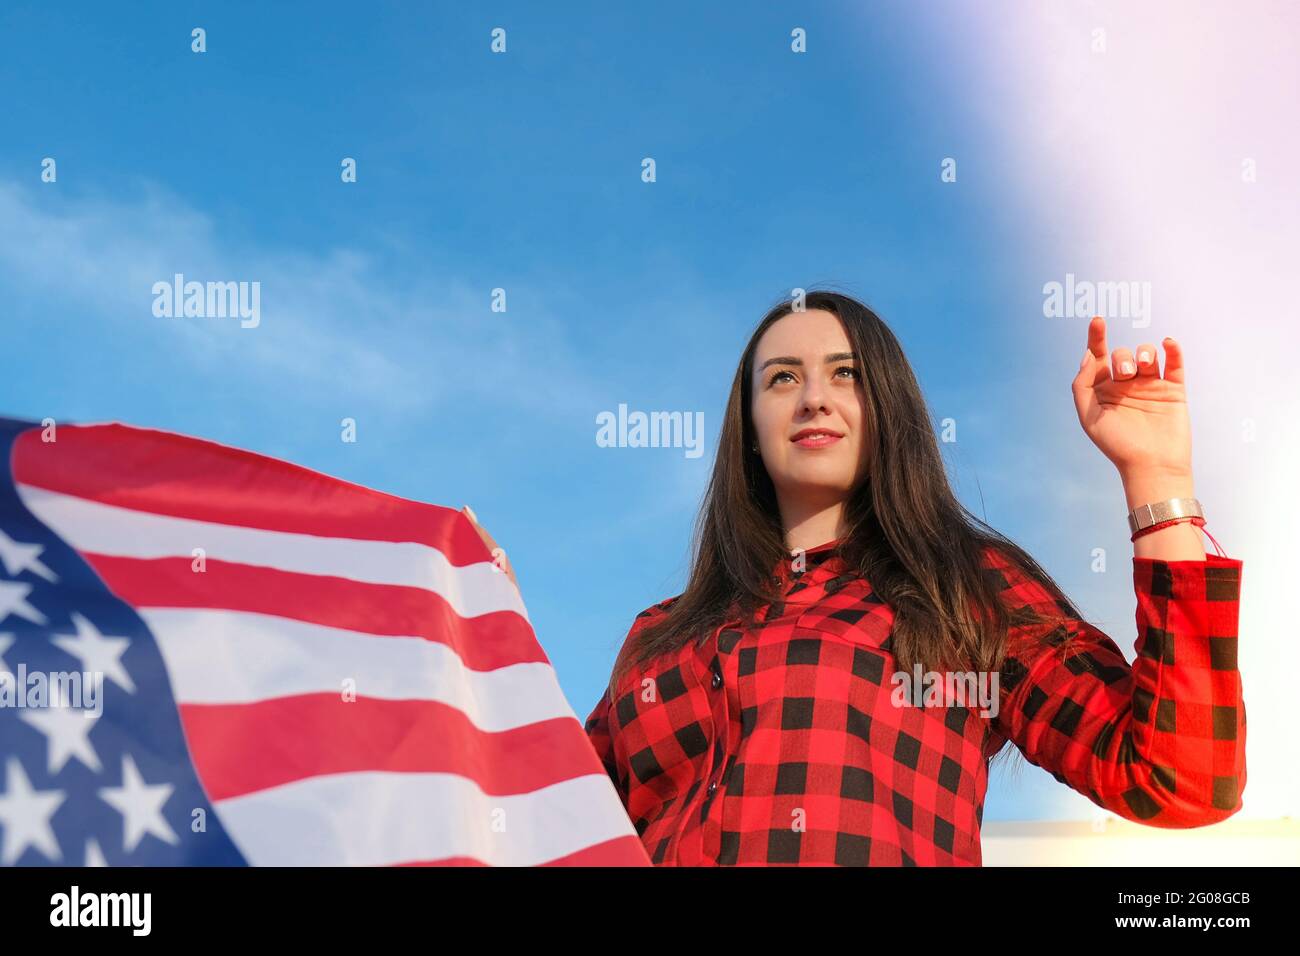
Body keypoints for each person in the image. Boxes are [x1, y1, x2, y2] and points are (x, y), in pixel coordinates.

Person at [466, 290, 1245, 866]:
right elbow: (555, 815)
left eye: (846, 374)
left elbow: (1181, 777)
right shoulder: (659, 635)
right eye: (782, 378)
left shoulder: (963, 587)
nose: (814, 397)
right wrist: (488, 631)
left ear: (888, 407)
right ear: (750, 425)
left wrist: (1157, 478)